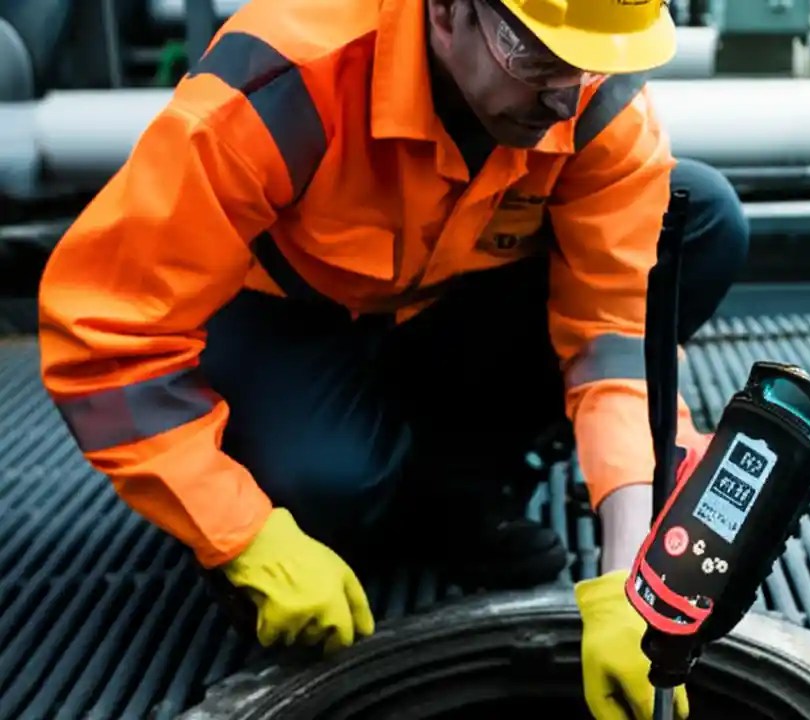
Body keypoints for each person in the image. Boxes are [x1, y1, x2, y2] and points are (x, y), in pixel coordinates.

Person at [36, 0, 748, 718]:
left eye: (588, 67)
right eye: (537, 58)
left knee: (700, 217)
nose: (564, 97)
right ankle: (329, 500)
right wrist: (242, 535)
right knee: (324, 488)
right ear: (446, 10)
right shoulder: (290, 75)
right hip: (285, 311)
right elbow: (104, 329)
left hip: (441, 309)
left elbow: (615, 342)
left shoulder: (593, 96)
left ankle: (454, 489)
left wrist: (631, 573)